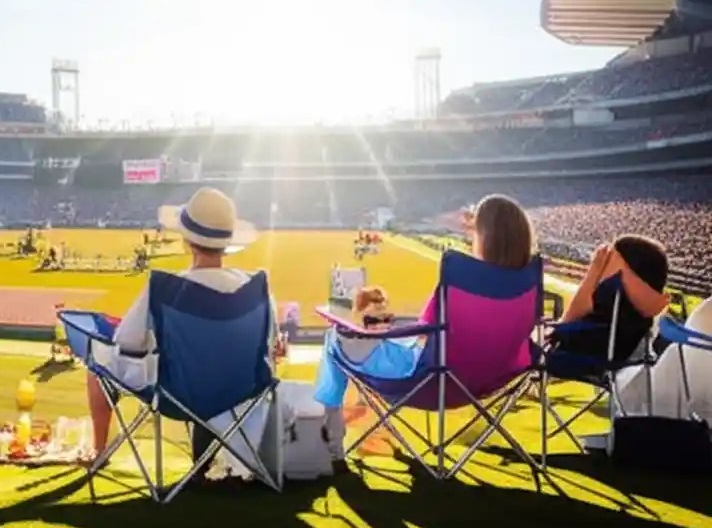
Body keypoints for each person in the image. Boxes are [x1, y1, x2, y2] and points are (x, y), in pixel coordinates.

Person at [313, 194, 537, 451]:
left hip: (429, 382)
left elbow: (423, 334)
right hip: (491, 380)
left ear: (483, 236)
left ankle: (331, 438)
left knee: (335, 336)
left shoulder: (461, 279)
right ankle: (332, 434)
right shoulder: (527, 284)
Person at [85, 187, 282, 458]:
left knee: (96, 366)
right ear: (227, 243)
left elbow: (126, 341)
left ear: (187, 241)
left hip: (178, 396)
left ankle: (99, 452)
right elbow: (272, 345)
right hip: (241, 392)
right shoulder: (255, 288)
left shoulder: (167, 289)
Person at [549, 235, 670, 370]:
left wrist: (594, 271)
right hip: (624, 361)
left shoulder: (611, 295)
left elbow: (566, 324)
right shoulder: (639, 319)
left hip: (579, 359)